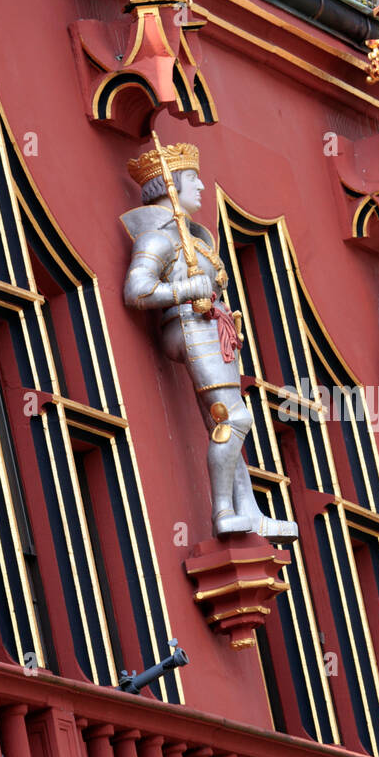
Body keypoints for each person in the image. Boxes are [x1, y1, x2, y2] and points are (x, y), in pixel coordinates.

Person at [120, 141, 297, 543]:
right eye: (191, 178)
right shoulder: (160, 238)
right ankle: (222, 511)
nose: (201, 185)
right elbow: (137, 290)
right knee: (234, 418)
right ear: (170, 186)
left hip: (212, 327)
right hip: (189, 325)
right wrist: (186, 287)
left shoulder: (195, 239)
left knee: (226, 421)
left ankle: (247, 510)